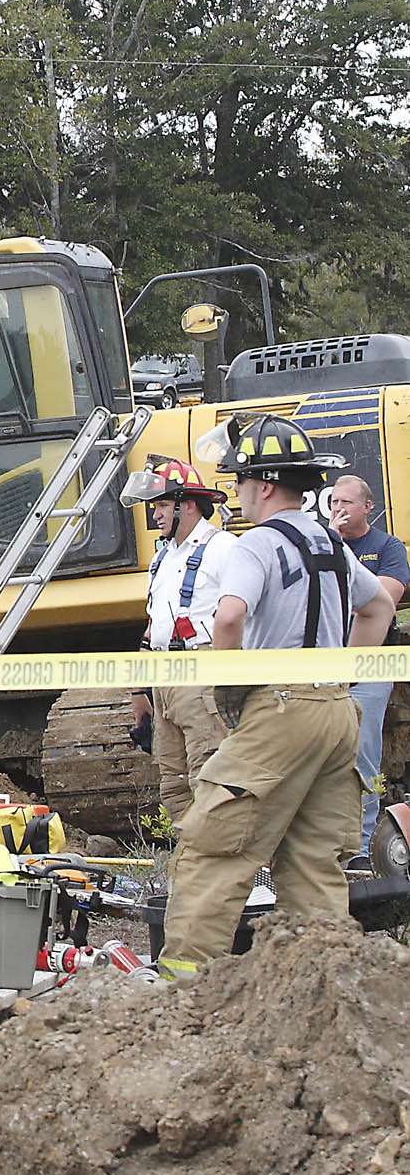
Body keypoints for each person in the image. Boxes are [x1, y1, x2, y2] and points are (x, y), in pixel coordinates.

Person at [156, 416, 394, 979]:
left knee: (214, 846)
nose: (235, 493)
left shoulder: (254, 544)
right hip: (337, 710)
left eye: (240, 480)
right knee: (314, 861)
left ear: (264, 485)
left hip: (280, 709)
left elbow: (230, 615)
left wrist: (230, 690)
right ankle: (322, 984)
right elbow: (379, 606)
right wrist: (346, 668)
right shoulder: (331, 542)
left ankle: (181, 986)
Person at [119, 459, 237, 821]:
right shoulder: (164, 556)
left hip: (201, 673)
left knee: (211, 779)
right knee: (173, 785)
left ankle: (231, 870)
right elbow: (154, 626)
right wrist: (141, 692)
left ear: (187, 505)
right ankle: (194, 869)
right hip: (164, 678)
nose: (154, 514)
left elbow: (241, 616)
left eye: (161, 505)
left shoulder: (223, 548)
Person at [330, 472, 408, 864]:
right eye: (333, 502)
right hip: (323, 663)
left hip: (371, 664)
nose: (338, 509)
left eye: (345, 502)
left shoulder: (388, 547)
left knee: (363, 752)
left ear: (367, 507)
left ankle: (360, 848)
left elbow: (383, 600)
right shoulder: (322, 542)